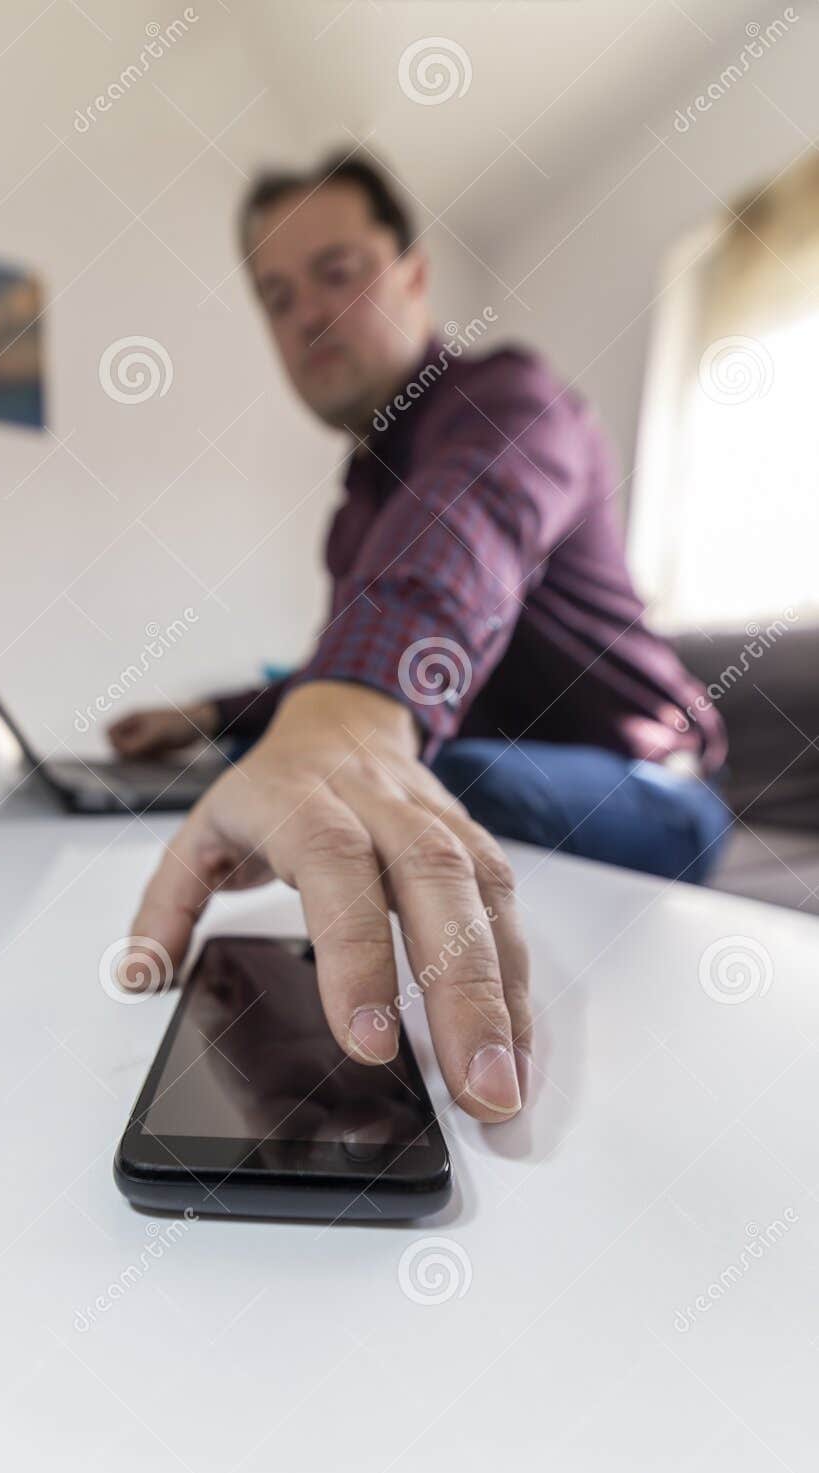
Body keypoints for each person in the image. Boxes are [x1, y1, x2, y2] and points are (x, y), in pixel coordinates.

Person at [110, 154, 731, 1125]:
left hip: (650, 788)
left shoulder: (511, 401)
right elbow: (334, 666)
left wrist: (343, 716)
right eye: (274, 296)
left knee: (448, 783)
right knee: (279, 768)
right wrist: (205, 716)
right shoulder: (355, 510)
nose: (306, 312)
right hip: (490, 761)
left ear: (412, 275)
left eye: (336, 270)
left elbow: (462, 529)